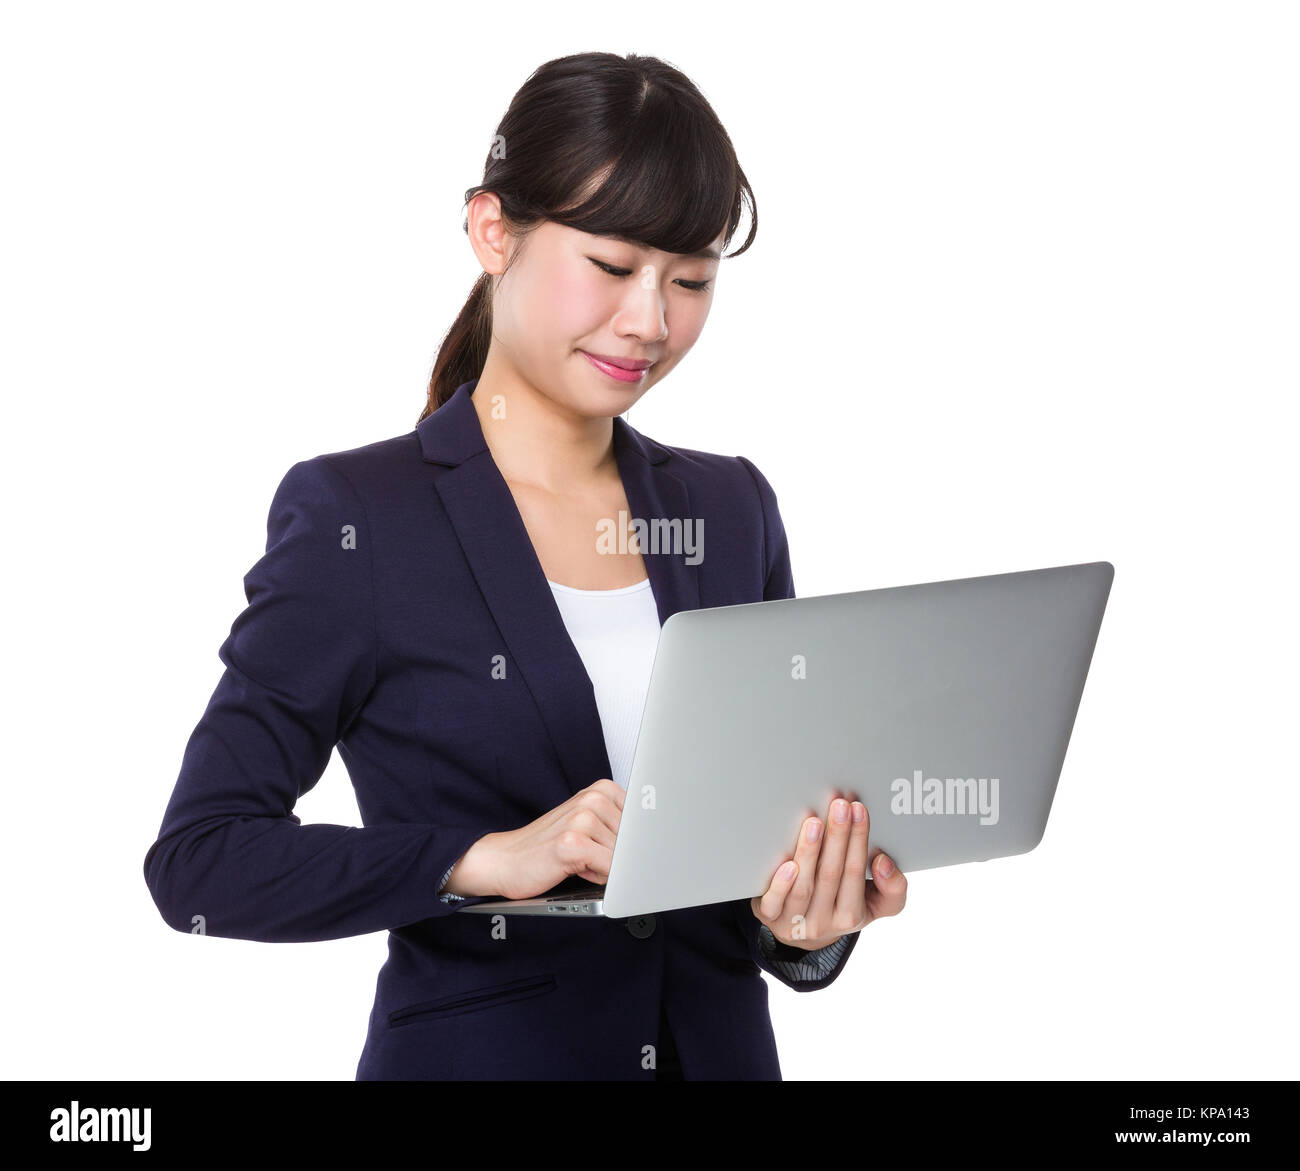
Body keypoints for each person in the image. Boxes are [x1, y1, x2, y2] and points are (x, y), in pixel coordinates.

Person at [143, 50, 907, 1081]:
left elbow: (755, 873)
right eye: (612, 264)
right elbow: (202, 860)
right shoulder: (358, 518)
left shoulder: (730, 510)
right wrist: (479, 858)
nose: (651, 321)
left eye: (689, 280)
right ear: (491, 229)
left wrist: (808, 923)